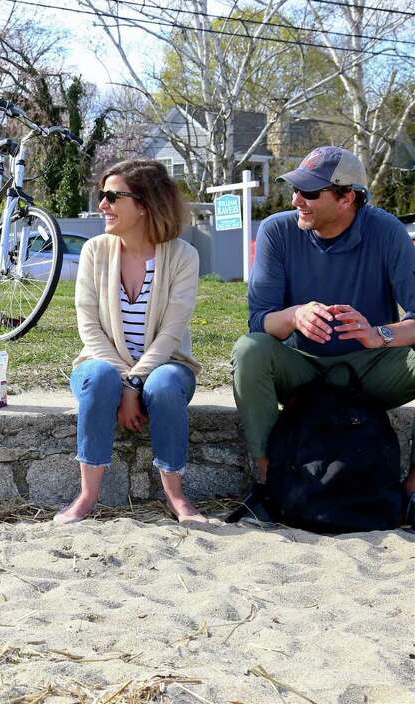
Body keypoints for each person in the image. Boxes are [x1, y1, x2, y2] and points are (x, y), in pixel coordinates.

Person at [232, 146, 415, 520]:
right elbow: (259, 322)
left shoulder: (387, 231)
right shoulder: (276, 231)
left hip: (370, 371)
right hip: (301, 370)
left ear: (347, 198)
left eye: (309, 192)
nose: (296, 200)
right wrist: (294, 315)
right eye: (295, 189)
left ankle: (412, 493)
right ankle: (270, 484)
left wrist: (378, 334)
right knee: (250, 350)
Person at [57, 158, 208, 525]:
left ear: (144, 204)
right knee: (99, 378)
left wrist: (135, 382)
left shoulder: (184, 257)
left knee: (166, 384)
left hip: (166, 365)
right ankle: (87, 496)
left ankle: (177, 497)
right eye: (102, 195)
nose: (102, 205)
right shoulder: (95, 251)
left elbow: (171, 333)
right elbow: (88, 328)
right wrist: (126, 382)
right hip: (102, 365)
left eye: (112, 197)